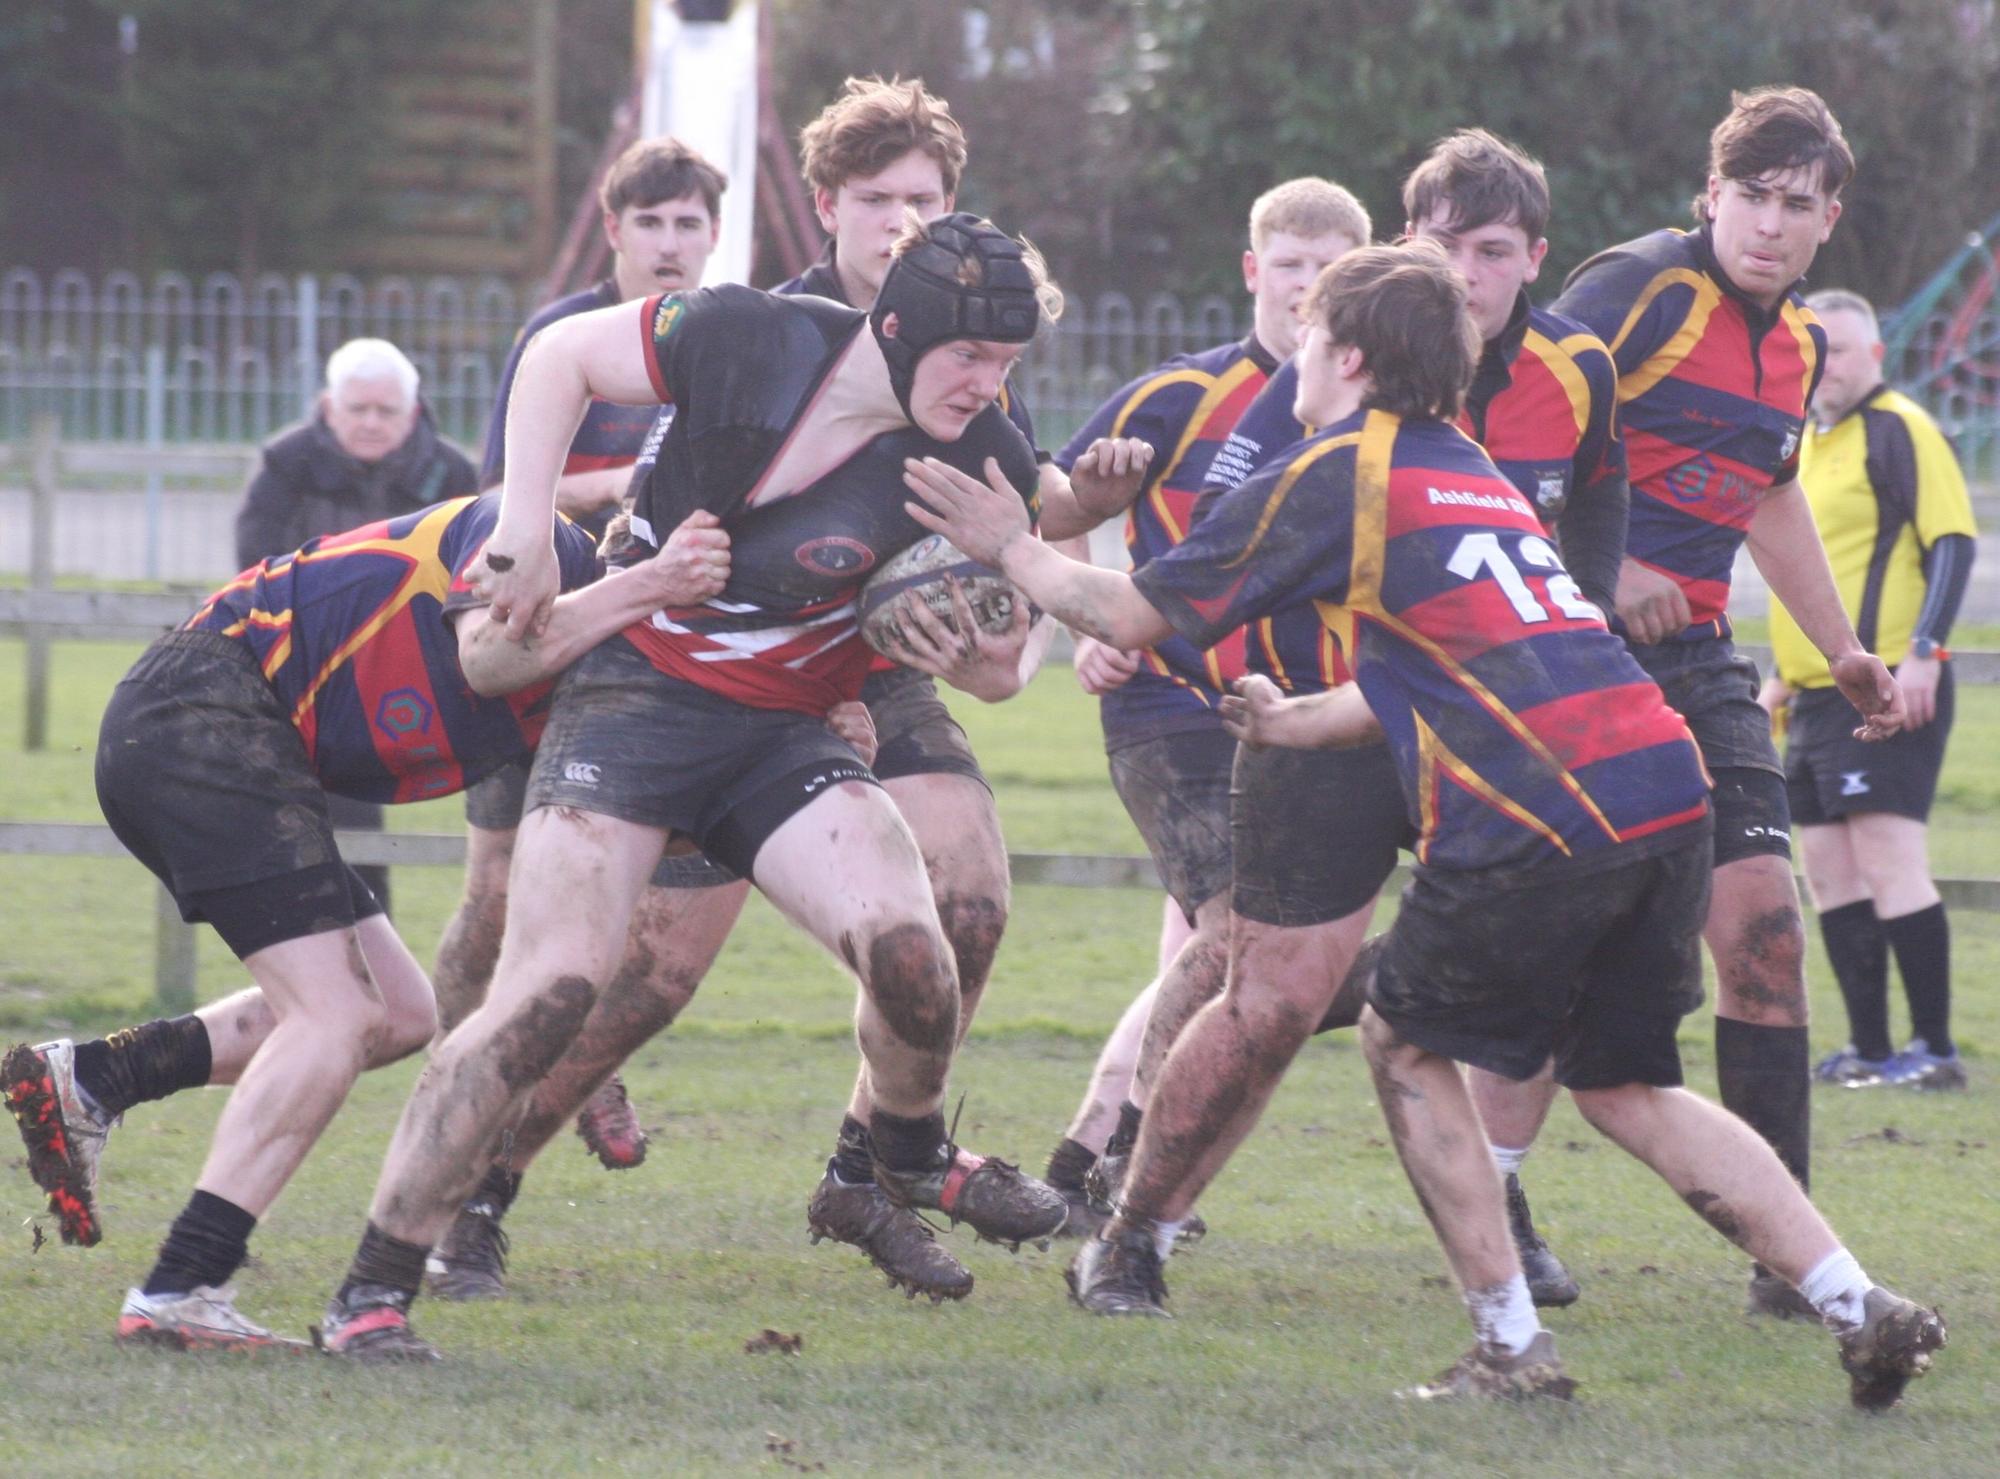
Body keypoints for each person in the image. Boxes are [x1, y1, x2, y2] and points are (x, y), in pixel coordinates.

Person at [907, 239, 1943, 1413]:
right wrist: (1293, 724)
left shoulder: (1339, 467)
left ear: (1343, 356)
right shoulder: (1473, 471)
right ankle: (1862, 1305)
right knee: (1626, 1089)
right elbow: (1445, 662)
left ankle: (1507, 1347)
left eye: (1305, 336)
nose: (1291, 356)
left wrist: (1008, 543)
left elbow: (1129, 611)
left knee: (1400, 1044)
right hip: (1662, 790)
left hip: (1540, 817)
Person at [311, 212, 1118, 1362]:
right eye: (968, 360)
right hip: (635, 697)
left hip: (781, 734)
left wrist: (985, 649)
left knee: (914, 954)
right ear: (896, 329)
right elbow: (558, 358)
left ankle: (906, 1152)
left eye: (1007, 367)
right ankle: (373, 1287)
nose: (988, 389)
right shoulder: (750, 335)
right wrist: (529, 525)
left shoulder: (978, 448)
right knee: (551, 992)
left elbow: (1006, 647)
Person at [2, 491, 731, 1347]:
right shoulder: (529, 539)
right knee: (337, 1013)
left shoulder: (593, 682)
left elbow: (644, 819)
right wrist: (653, 583)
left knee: (398, 1011)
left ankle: (97, 1077)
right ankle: (180, 1287)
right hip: (203, 710)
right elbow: (484, 652)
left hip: (228, 737)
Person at [1488, 85, 1901, 1318]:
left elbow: (1766, 500)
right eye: (1748, 198)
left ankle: (1786, 1265)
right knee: (1557, 958)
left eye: (1795, 204)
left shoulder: (1798, 349)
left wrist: (1839, 651)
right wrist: (1604, 568)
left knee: (1767, 934)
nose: (1767, 225)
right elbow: (1502, 425)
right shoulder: (1642, 289)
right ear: (1707, 197)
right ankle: (1490, 1191)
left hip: (1702, 660)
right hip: (1566, 651)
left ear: (1828, 218)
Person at [771, 75, 1147, 1294]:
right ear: (825, 204)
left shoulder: (973, 367)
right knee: (633, 985)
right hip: (728, 685)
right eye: (873, 198)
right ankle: (468, 1202)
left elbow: (1006, 599)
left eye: (920, 201)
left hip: (878, 680)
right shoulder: (761, 334)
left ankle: (864, 1167)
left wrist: (999, 645)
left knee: (967, 908)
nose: (895, 223)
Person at [1033, 176, 1371, 1234]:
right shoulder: (1176, 398)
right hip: (1171, 707)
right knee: (1237, 934)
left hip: (1311, 719)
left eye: (1327, 275)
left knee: (1233, 962)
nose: (1304, 292)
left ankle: (1092, 1160)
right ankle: (1120, 1171)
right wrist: (1091, 620)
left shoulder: (1379, 422)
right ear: (1250, 273)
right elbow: (1045, 502)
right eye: (1288, 269)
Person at [438, 137, 729, 1173]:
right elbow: (495, 503)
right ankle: (453, 1065)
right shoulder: (561, 342)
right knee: (493, 890)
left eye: (686, 223)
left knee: (628, 910)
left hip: (663, 659)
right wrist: (604, 493)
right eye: (648, 223)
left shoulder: (727, 345)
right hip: (541, 642)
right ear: (612, 231)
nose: (667, 243)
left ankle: (573, 1071)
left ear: (713, 235)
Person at [1759, 288, 1978, 1090]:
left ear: (1877, 356)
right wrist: (1780, 682)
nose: (1827, 366)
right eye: (1817, 350)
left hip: (1888, 687)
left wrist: (1925, 653)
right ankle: (1872, 1052)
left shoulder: (1901, 429)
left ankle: (1935, 1049)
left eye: (1843, 350)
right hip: (1814, 699)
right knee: (1828, 871)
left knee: (1889, 859)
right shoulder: (1805, 443)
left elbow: (1951, 543)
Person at [234, 337, 480, 919]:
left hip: (430, 657)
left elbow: (473, 572)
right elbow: (255, 569)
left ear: (413, 413)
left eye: (386, 411)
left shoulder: (452, 471)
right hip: (313, 661)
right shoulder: (284, 464)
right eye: (358, 409)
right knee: (325, 808)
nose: (371, 423)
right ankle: (354, 946)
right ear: (327, 407)